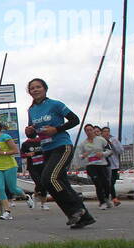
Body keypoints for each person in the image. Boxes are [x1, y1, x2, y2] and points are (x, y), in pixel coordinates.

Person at [25, 78, 94, 228]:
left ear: (45, 89)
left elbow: (75, 120)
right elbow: (33, 134)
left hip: (62, 146)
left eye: (38, 87)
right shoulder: (31, 110)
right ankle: (84, 217)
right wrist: (29, 131)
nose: (35, 90)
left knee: (50, 178)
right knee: (59, 182)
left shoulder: (55, 104)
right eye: (32, 88)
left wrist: (56, 129)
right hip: (46, 149)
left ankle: (76, 210)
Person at [0, 119, 23, 219]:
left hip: (10, 165)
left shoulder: (6, 137)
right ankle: (7, 212)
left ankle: (26, 197)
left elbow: (15, 150)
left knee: (13, 188)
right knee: (0, 188)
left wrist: (2, 153)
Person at [77, 125, 114, 209]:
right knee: (98, 183)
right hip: (91, 166)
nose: (89, 132)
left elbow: (110, 150)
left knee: (106, 183)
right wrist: (83, 155)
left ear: (93, 130)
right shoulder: (83, 143)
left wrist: (103, 154)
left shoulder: (101, 140)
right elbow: (79, 155)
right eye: (87, 130)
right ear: (85, 132)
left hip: (102, 164)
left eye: (90, 130)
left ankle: (106, 198)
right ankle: (102, 202)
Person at [18, 133, 49, 209]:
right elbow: (22, 155)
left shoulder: (41, 140)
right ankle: (35, 196)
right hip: (32, 167)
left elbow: (48, 149)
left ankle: (43, 203)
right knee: (39, 183)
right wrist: (27, 155)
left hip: (43, 165)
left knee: (44, 183)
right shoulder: (25, 144)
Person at [100, 126, 123, 207]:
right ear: (101, 133)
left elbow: (120, 151)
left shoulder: (114, 140)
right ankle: (113, 199)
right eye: (105, 131)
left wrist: (112, 144)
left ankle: (108, 198)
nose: (107, 133)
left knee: (112, 182)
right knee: (108, 182)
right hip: (104, 165)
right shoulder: (100, 141)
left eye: (108, 131)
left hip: (114, 164)